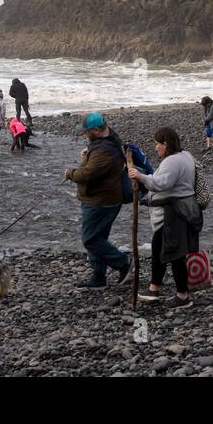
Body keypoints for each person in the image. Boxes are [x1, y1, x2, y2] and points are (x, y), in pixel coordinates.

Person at [129, 126, 201, 309]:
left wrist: (140, 176)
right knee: (158, 247)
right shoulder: (185, 156)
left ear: (165, 144)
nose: (155, 148)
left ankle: (183, 297)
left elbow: (162, 184)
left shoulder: (172, 161)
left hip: (175, 213)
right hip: (183, 210)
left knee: (175, 254)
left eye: (157, 144)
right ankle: (154, 288)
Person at [63, 112, 130, 290]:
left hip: (101, 201)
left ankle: (123, 263)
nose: (85, 135)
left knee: (90, 240)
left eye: (86, 132)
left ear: (95, 130)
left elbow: (86, 175)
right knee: (99, 237)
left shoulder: (104, 150)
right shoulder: (109, 139)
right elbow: (95, 162)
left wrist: (70, 173)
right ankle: (98, 277)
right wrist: (88, 153)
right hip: (104, 198)